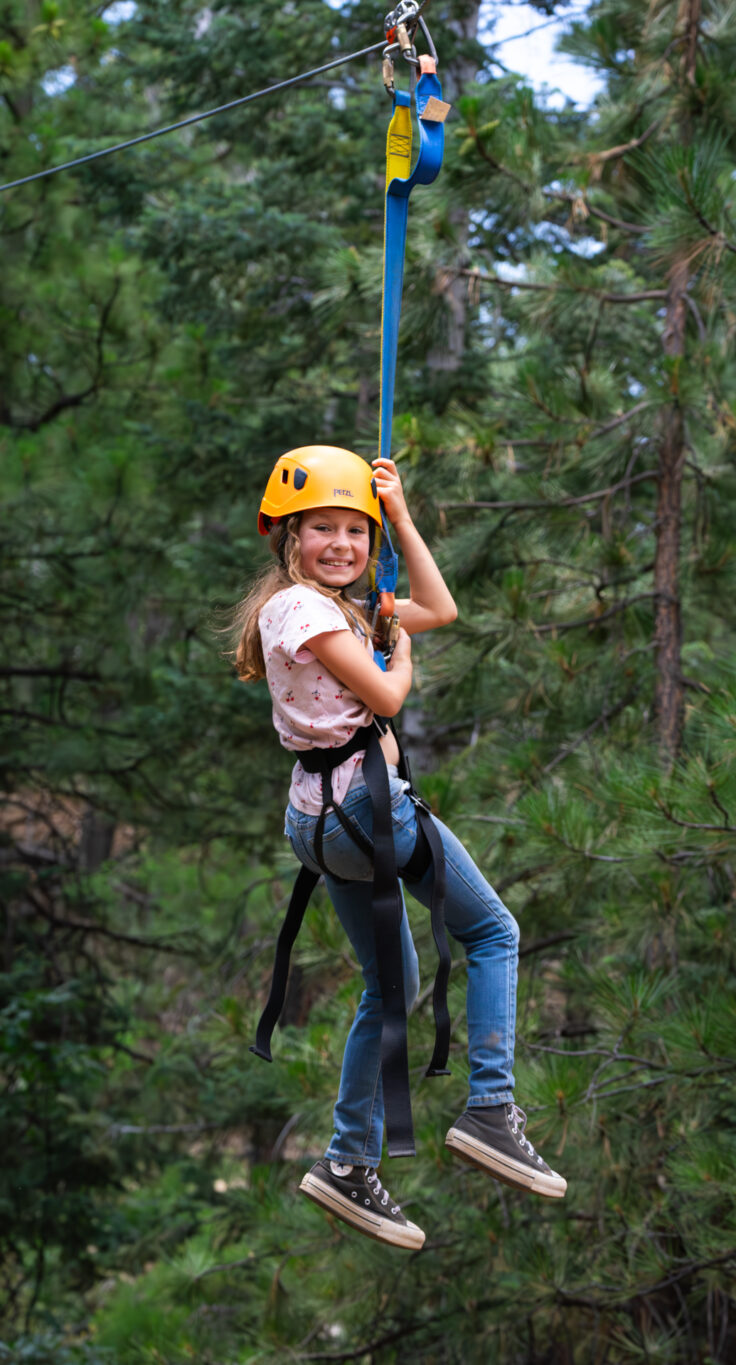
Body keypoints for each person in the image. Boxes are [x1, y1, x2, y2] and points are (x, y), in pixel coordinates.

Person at [234, 444, 567, 1251]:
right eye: (323, 527)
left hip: (322, 822)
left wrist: (403, 519)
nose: (342, 543)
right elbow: (385, 690)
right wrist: (400, 653)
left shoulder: (337, 612)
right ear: (288, 536)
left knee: (392, 986)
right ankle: (491, 1107)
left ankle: (349, 1161)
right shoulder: (303, 609)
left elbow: (440, 606)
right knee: (494, 932)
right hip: (363, 811)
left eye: (356, 530)